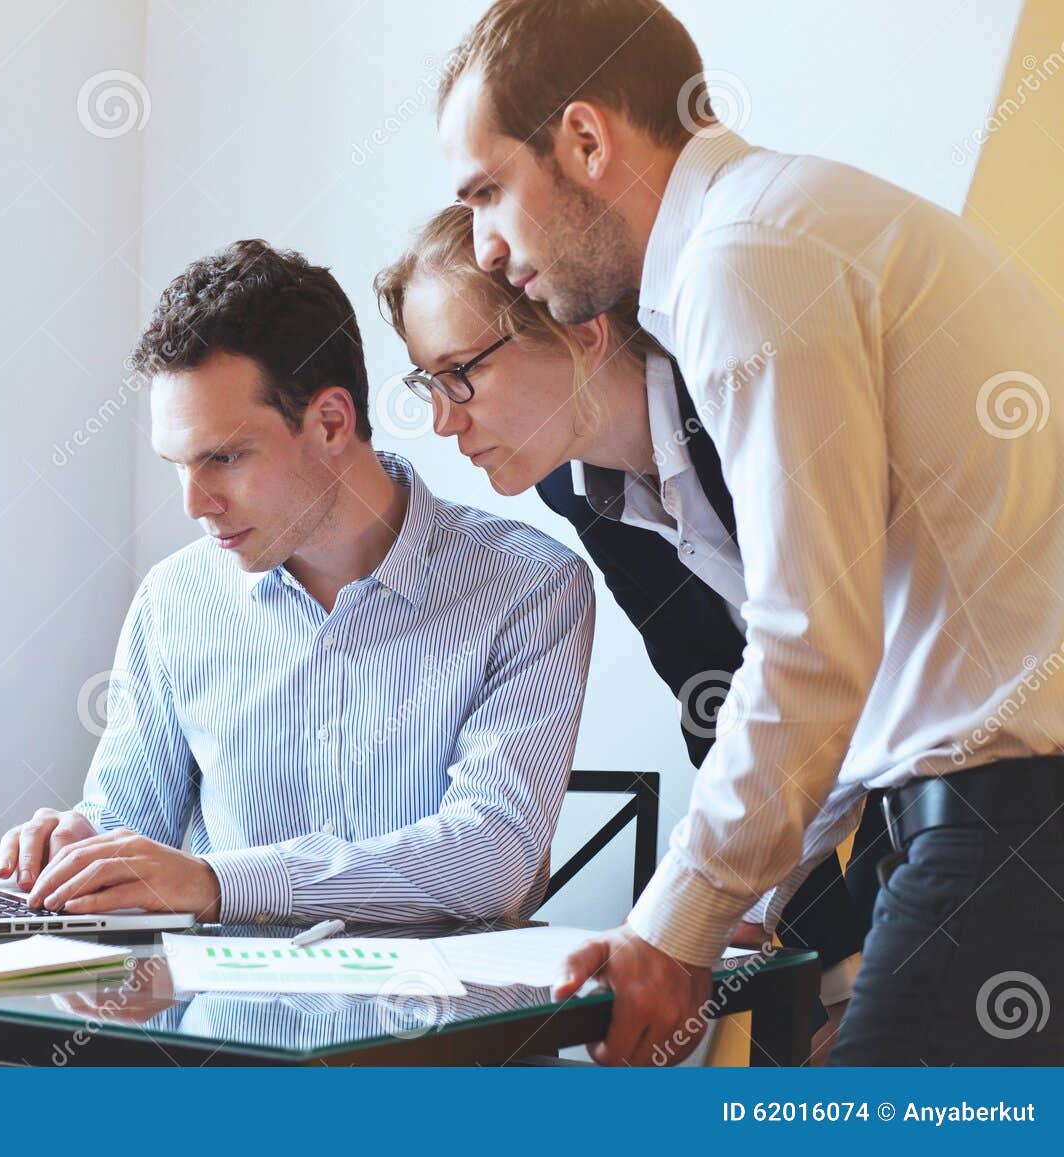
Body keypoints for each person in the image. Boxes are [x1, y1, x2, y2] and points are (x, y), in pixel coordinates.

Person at [436, 0, 1064, 1064]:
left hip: (1011, 819)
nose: (488, 248)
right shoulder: (785, 222)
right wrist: (715, 913)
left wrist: (672, 926)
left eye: (489, 190)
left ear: (586, 140)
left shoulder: (745, 259)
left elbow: (809, 647)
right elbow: (849, 674)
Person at [374, 203, 888, 1062]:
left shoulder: (739, 391)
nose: (443, 419)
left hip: (972, 765)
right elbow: (718, 704)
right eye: (427, 383)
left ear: (582, 328)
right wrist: (777, 937)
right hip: (820, 828)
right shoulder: (575, 484)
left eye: (459, 372)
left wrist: (852, 975)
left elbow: (841, 677)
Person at [0, 239, 596, 929]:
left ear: (331, 422)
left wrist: (220, 883)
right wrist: (71, 846)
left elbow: (491, 858)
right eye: (178, 464)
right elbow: (126, 821)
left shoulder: (529, 587)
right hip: (222, 1031)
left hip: (434, 1031)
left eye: (224, 457)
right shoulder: (175, 599)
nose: (195, 503)